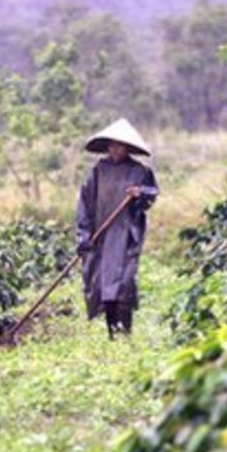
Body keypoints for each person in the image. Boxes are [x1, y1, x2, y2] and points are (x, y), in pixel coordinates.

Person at [76, 118, 159, 339]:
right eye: (112, 145)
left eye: (120, 145)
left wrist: (140, 193)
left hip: (125, 237)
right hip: (100, 237)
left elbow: (151, 196)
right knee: (103, 287)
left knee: (123, 285)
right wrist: (84, 235)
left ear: (128, 148)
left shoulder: (139, 171)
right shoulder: (98, 171)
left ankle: (125, 332)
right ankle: (112, 333)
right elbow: (84, 203)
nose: (115, 150)